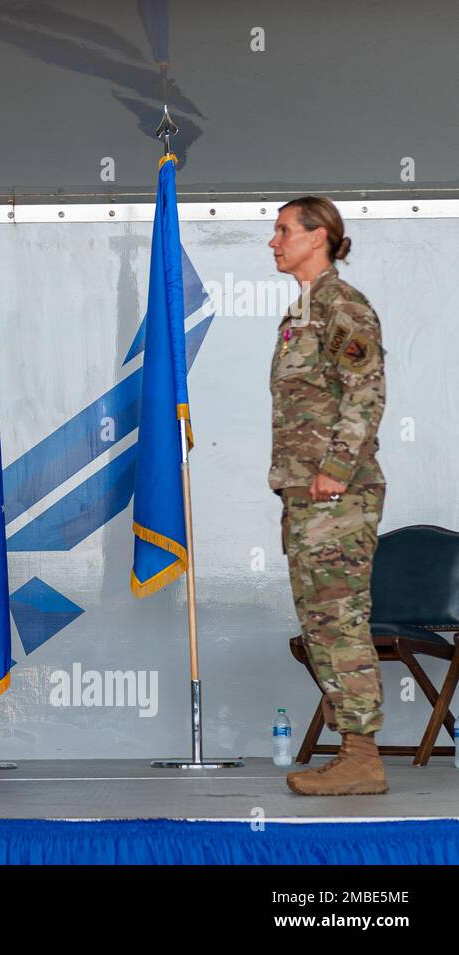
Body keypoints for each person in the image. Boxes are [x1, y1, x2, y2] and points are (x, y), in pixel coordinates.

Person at [268, 196, 388, 796]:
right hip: (308, 495)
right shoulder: (304, 311)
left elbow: (365, 391)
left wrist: (337, 469)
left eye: (284, 230)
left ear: (320, 236)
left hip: (337, 495)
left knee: (338, 620)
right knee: (320, 622)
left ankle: (363, 756)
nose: (274, 241)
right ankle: (353, 751)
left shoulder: (343, 306)